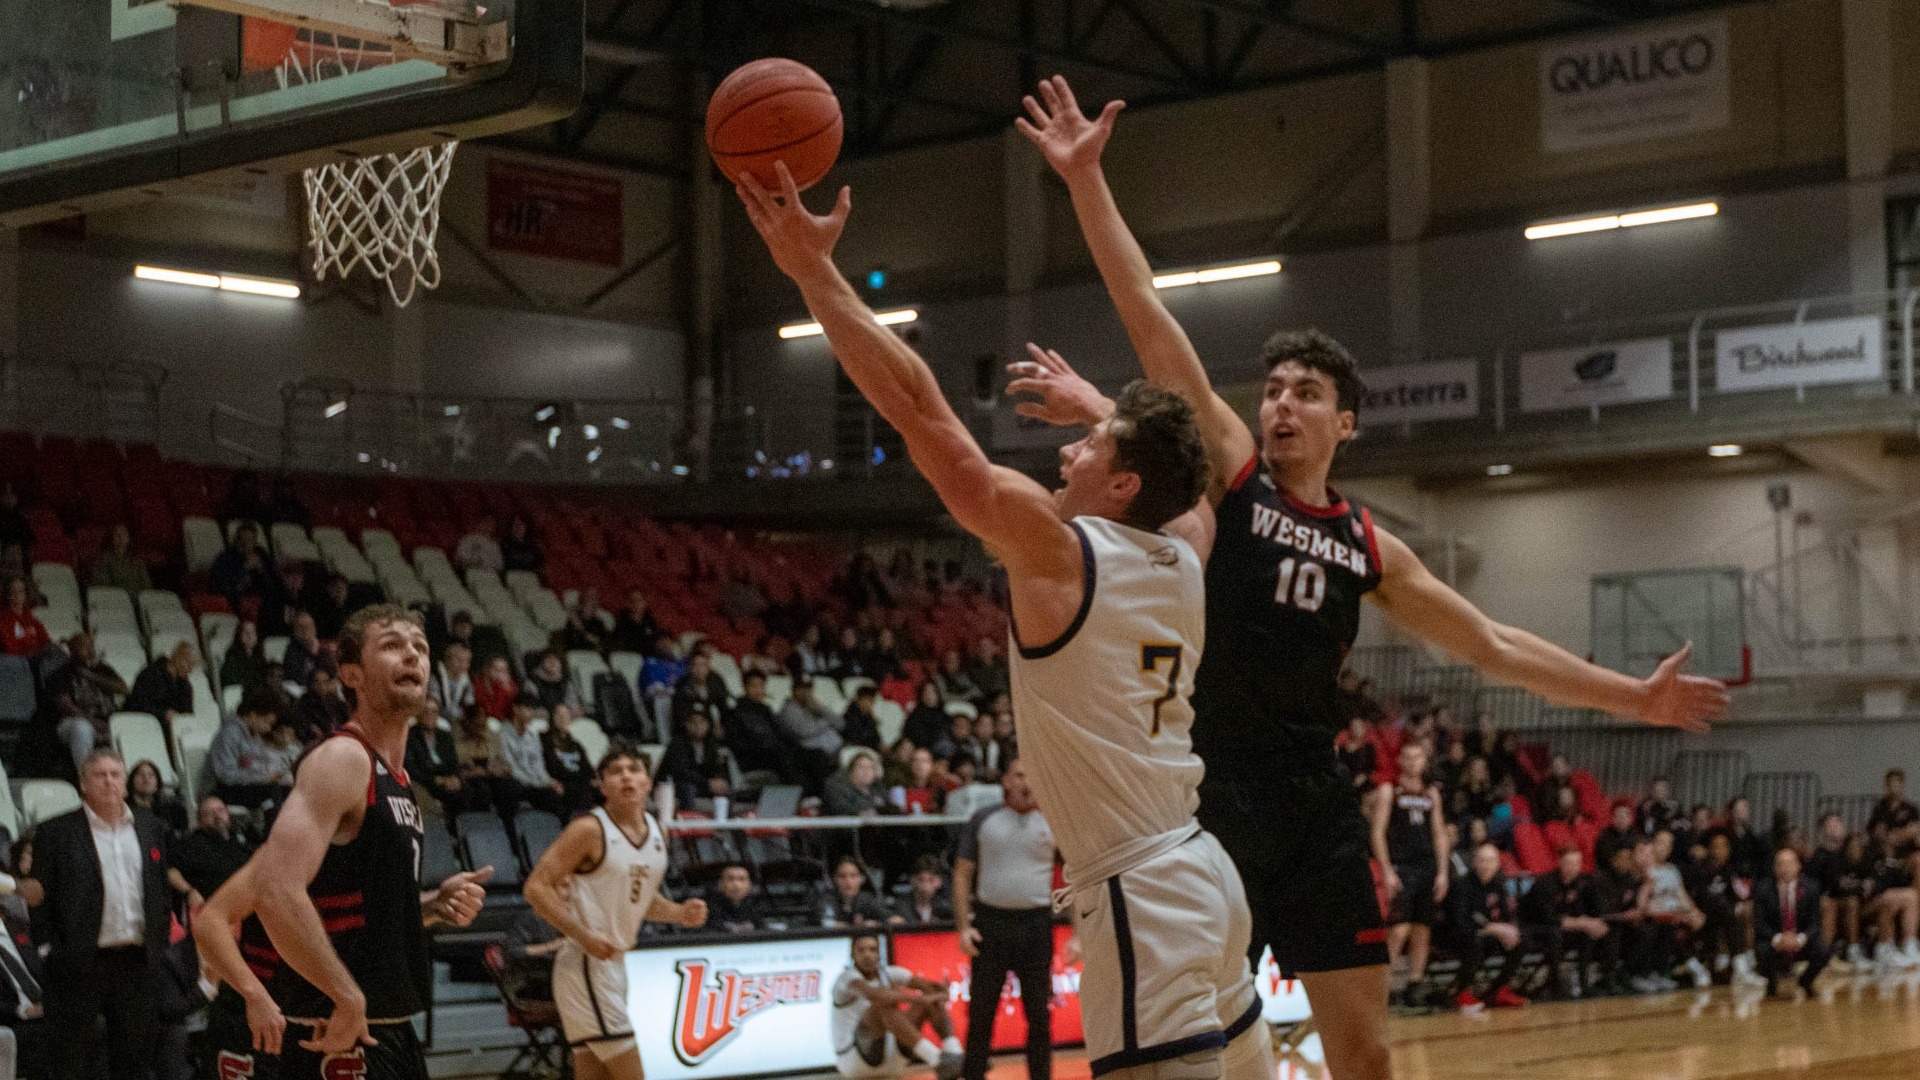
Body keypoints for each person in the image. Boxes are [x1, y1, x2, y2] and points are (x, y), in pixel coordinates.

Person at [1012, 73, 1729, 1080]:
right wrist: (1087, 182)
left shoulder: (1367, 543)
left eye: (1306, 394)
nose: (1282, 406)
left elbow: (1495, 645)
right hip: (1208, 795)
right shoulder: (1238, 474)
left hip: (1313, 805)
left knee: (1368, 1055)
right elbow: (1149, 318)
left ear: (1347, 421)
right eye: (1273, 391)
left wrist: (1636, 698)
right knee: (1213, 1053)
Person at [741, 153, 1273, 1080]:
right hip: (1205, 875)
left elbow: (920, 411)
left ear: (1124, 482)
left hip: (1141, 888)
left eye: (1092, 443)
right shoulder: (1186, 545)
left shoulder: (1059, 557)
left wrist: (810, 270)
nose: (1070, 447)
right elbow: (1188, 474)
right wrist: (1111, 409)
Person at [239, 605, 493, 1080]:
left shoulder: (396, 776)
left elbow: (359, 910)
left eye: (420, 646)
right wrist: (346, 994)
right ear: (351, 674)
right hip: (336, 1030)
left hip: (386, 1028)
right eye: (392, 644)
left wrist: (432, 905)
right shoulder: (342, 758)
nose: (412, 655)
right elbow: (274, 890)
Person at [524, 745, 706, 1080]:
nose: (626, 776)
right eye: (615, 771)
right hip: (584, 963)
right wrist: (582, 934)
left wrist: (680, 913)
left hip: (615, 964)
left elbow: (639, 899)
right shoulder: (589, 830)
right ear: (601, 784)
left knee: (594, 1073)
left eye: (634, 769)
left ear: (648, 782)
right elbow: (536, 887)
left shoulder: (656, 832)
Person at [28, 750, 175, 1080]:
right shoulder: (56, 832)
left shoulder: (150, 827)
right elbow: (39, 899)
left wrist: (160, 939)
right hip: (79, 960)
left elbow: (160, 889)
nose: (109, 781)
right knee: (69, 1060)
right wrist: (47, 949)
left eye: (116, 774)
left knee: (135, 1061)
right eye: (100, 775)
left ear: (125, 783)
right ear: (83, 784)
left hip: (137, 961)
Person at [952, 758, 1055, 1080]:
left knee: (1039, 1014)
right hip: (991, 924)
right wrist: (963, 927)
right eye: (1020, 775)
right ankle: (973, 1074)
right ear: (1007, 781)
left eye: (1033, 775)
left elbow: (1077, 875)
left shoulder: (1054, 820)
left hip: (1037, 925)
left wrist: (1078, 934)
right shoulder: (984, 818)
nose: (1027, 782)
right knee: (981, 1012)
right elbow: (962, 873)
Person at [1371, 741, 1448, 1008]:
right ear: (1400, 760)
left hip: (1427, 866)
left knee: (1421, 929)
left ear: (1424, 761)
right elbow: (1377, 832)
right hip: (1402, 867)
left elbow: (1439, 833)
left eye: (1418, 757)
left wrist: (1443, 872)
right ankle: (1384, 988)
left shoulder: (1431, 794)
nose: (1413, 762)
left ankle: (1415, 984)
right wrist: (1387, 869)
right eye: (1408, 757)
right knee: (1398, 930)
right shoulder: (1389, 790)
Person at [832, 932, 964, 1080]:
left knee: (930, 995)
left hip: (892, 1057)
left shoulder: (890, 973)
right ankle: (937, 1060)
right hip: (855, 1058)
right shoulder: (846, 979)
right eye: (861, 950)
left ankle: (955, 1053)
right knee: (883, 1005)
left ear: (879, 953)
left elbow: (929, 987)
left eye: (872, 949)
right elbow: (875, 995)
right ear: (852, 954)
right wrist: (920, 999)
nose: (867, 955)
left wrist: (940, 989)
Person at [1521, 846, 1615, 999]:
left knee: (1601, 931)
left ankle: (1590, 982)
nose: (1573, 868)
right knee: (1556, 935)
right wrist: (1584, 923)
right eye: (1569, 863)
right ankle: (1554, 986)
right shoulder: (1544, 883)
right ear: (1559, 862)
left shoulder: (1584, 882)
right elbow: (1550, 919)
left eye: (1577, 863)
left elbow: (1596, 910)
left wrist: (1595, 922)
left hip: (1567, 929)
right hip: (1538, 930)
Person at [1447, 843, 1531, 1011]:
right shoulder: (1462, 885)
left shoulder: (1498, 884)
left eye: (1491, 860)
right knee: (1474, 941)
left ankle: (1499, 989)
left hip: (1486, 935)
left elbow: (1507, 915)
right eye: (1483, 860)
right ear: (1475, 862)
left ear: (1498, 863)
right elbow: (1462, 920)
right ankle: (1462, 992)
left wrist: (1510, 929)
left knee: (1521, 939)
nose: (1487, 865)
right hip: (1457, 935)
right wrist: (1494, 928)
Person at [1753, 847, 1827, 999]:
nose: (1786, 868)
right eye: (1781, 864)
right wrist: (1779, 938)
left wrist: (1800, 938)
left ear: (1798, 866)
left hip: (1799, 939)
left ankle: (1805, 981)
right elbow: (1759, 923)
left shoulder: (1811, 888)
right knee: (1761, 949)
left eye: (1790, 863)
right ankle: (1772, 984)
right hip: (1777, 940)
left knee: (1824, 949)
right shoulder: (1763, 889)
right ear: (1774, 868)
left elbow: (1816, 923)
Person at [1641, 830, 1711, 987]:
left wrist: (1694, 912)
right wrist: (1680, 915)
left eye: (1668, 844)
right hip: (1658, 915)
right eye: (1661, 843)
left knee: (1705, 917)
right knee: (1669, 927)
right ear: (1653, 844)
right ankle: (1691, 965)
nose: (1664, 848)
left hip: (1674, 912)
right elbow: (1648, 902)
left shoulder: (1672, 870)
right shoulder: (1647, 870)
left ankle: (1706, 965)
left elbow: (1682, 896)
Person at [50, 631, 127, 773]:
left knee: (130, 725)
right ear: (73, 649)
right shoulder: (62, 673)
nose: (90, 649)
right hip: (71, 722)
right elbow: (66, 706)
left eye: (91, 645)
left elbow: (123, 688)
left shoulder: (102, 669)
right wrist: (93, 721)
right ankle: (86, 777)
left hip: (105, 721)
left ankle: (126, 778)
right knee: (82, 727)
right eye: (83, 646)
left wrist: (91, 676)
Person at [210, 691, 296, 810]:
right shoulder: (230, 734)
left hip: (248, 784)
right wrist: (262, 777)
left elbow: (257, 765)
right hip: (227, 789)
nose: (268, 728)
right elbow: (226, 775)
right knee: (272, 792)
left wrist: (271, 776)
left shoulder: (254, 736)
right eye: (266, 722)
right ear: (253, 715)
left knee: (287, 789)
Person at [497, 693, 568, 817]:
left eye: (532, 709)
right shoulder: (503, 734)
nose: (531, 713)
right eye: (528, 709)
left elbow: (538, 765)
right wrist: (537, 784)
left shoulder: (532, 735)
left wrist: (550, 781)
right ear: (516, 709)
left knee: (560, 794)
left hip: (536, 784)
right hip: (520, 784)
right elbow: (511, 768)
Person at [173, 796, 252, 899]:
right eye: (209, 813)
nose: (217, 815)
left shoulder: (241, 840)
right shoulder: (191, 844)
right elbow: (171, 869)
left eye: (220, 810)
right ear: (200, 820)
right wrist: (189, 891)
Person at [778, 677, 846, 791]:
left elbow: (840, 724)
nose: (805, 692)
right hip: (809, 754)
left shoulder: (814, 707)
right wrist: (825, 722)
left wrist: (821, 708)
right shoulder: (789, 710)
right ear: (794, 690)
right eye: (801, 688)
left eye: (808, 688)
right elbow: (805, 731)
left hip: (833, 751)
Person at [659, 706, 731, 806]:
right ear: (687, 724)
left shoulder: (711, 745)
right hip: (677, 785)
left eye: (701, 722)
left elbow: (717, 767)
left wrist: (719, 780)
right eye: (693, 722)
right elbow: (681, 772)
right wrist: (707, 783)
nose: (698, 726)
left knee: (725, 787)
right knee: (688, 790)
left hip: (702, 784)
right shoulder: (677, 744)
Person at [124, 641, 198, 739]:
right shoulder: (151, 674)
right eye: (188, 664)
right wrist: (163, 714)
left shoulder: (185, 686)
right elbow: (137, 704)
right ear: (176, 656)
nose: (190, 670)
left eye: (192, 666)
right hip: (141, 728)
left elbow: (187, 714)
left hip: (171, 733)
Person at [724, 670, 790, 778]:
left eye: (761, 686)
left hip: (776, 754)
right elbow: (740, 745)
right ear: (745, 688)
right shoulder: (735, 714)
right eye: (754, 686)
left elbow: (781, 734)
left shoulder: (766, 711)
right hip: (755, 759)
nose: (759, 690)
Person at [542, 704, 597, 815]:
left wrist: (595, 779)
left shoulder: (575, 744)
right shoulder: (543, 740)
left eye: (566, 715)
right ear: (552, 718)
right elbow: (543, 765)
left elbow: (586, 767)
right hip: (561, 783)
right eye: (559, 715)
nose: (563, 718)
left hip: (580, 782)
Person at [211, 523, 274, 615]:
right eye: (243, 540)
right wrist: (245, 568)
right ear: (236, 540)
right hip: (236, 602)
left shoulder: (261, 554)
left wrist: (261, 569)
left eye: (250, 541)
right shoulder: (225, 558)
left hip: (261, 602)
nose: (246, 545)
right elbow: (227, 588)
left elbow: (272, 583)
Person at [823, 856, 898, 927]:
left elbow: (897, 920)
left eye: (853, 876)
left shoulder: (866, 899)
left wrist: (877, 924)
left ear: (861, 879)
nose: (848, 882)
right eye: (842, 876)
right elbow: (824, 923)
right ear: (834, 879)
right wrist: (856, 927)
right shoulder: (827, 898)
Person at [824, 749, 891, 821]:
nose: (866, 771)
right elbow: (839, 808)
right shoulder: (837, 785)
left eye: (870, 767)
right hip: (846, 828)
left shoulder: (877, 787)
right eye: (861, 767)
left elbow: (888, 807)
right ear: (851, 770)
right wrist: (859, 813)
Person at [126, 758, 188, 835]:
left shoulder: (169, 809)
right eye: (140, 774)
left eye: (151, 774)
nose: (146, 778)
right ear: (132, 781)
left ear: (157, 783)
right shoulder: (125, 810)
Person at [705, 863, 770, 934]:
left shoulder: (760, 906)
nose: (736, 885)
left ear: (750, 885)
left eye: (741, 879)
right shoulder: (708, 908)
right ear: (721, 884)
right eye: (730, 879)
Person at [90, 523, 151, 596]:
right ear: (112, 538)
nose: (120, 537)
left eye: (123, 533)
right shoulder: (103, 560)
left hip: (137, 601)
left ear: (128, 538)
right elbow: (103, 586)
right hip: (116, 601)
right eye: (117, 534)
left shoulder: (136, 560)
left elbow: (146, 584)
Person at [1867, 769, 1919, 853]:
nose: (1893, 787)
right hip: (1882, 848)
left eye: (1896, 784)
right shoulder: (1880, 807)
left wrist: (1897, 836)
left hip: (1905, 849)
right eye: (1890, 784)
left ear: (1902, 786)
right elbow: (1872, 828)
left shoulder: (1910, 808)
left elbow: (1913, 829)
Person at [296, 666, 350, 742]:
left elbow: (347, 718)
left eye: (325, 681)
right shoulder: (305, 702)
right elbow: (306, 726)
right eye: (317, 682)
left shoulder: (334, 700)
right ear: (311, 684)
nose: (322, 685)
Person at [894, 856, 953, 925]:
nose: (925, 886)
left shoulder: (945, 907)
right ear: (912, 880)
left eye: (931, 880)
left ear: (939, 881)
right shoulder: (903, 905)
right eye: (921, 880)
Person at [281, 612, 330, 691]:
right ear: (295, 630)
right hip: (301, 688)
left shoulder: (323, 647)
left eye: (308, 626)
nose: (304, 631)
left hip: (322, 687)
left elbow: (330, 672)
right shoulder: (292, 649)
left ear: (314, 628)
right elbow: (292, 674)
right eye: (300, 627)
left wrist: (316, 654)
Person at [0, 577, 48, 658]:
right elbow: (9, 648)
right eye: (13, 591)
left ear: (25, 594)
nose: (17, 595)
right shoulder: (3, 619)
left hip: (36, 660)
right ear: (7, 595)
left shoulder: (31, 619)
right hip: (16, 661)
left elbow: (46, 641)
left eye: (20, 591)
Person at [524, 651, 578, 718]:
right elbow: (529, 709)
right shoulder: (531, 683)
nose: (553, 662)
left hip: (564, 719)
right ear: (541, 663)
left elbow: (573, 706)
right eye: (548, 659)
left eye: (556, 659)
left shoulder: (566, 683)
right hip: (541, 721)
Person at [430, 642, 475, 721]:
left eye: (467, 661)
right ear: (448, 658)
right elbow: (434, 702)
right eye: (461, 660)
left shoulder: (466, 682)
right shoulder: (435, 677)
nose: (465, 664)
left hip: (459, 721)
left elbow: (469, 705)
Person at [221, 620, 270, 691]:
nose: (249, 636)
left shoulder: (259, 655)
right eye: (245, 632)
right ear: (239, 635)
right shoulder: (232, 656)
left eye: (252, 632)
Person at [608, 591, 660, 656]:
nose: (635, 604)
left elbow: (656, 638)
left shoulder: (650, 621)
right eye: (632, 601)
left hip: (649, 656)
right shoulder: (622, 621)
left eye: (638, 600)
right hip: (630, 655)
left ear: (644, 602)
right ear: (628, 603)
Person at [475, 655, 517, 722]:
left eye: (504, 670)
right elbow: (488, 711)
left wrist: (508, 690)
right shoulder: (478, 685)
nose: (501, 674)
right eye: (497, 670)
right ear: (486, 669)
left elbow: (514, 710)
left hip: (505, 723)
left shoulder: (509, 685)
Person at [843, 685, 883, 751]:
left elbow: (876, 737)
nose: (871, 704)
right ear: (859, 700)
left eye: (872, 700)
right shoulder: (850, 717)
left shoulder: (868, 717)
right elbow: (856, 738)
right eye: (868, 700)